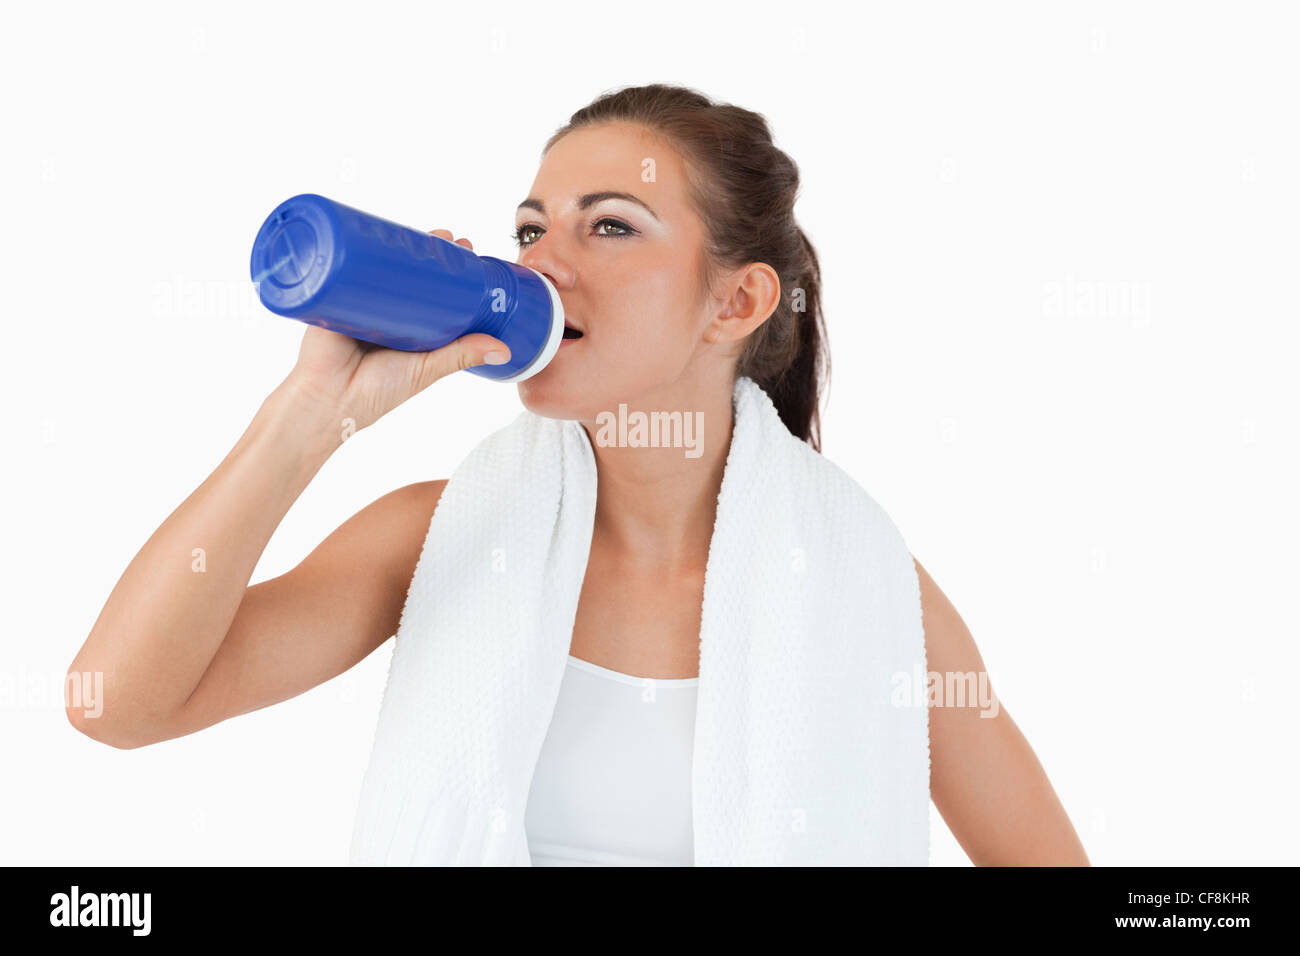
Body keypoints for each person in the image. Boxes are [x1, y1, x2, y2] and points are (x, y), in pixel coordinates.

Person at [67, 83, 1089, 866]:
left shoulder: (870, 590)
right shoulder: (442, 536)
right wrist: (307, 416)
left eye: (607, 225)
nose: (538, 263)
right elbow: (114, 702)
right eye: (529, 228)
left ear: (733, 304)